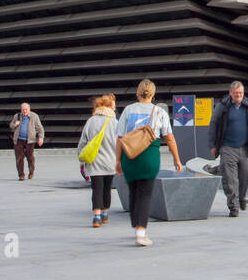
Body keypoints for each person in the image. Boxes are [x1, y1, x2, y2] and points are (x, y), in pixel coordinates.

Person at [115, 79, 182, 246]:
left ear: (138, 92)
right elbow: (170, 138)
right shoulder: (159, 112)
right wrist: (177, 159)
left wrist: (117, 160)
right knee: (145, 194)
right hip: (149, 157)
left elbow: (120, 138)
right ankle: (141, 231)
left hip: (129, 156)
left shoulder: (128, 110)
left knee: (134, 191)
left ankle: (136, 224)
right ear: (152, 93)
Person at [208, 81, 248, 217]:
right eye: (236, 93)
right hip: (227, 148)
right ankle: (233, 207)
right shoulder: (222, 106)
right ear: (230, 93)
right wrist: (213, 145)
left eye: (241, 93)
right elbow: (213, 124)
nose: (238, 95)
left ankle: (242, 197)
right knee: (229, 179)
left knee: (247, 176)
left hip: (245, 148)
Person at [78, 94, 119, 228]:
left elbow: (83, 141)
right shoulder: (114, 122)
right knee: (107, 188)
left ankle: (96, 216)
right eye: (114, 105)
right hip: (110, 161)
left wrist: (81, 158)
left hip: (94, 162)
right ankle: (105, 213)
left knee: (96, 189)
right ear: (108, 106)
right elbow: (119, 142)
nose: (115, 108)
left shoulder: (91, 121)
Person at [9, 102, 46, 181]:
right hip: (18, 140)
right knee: (19, 158)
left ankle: (31, 171)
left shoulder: (34, 116)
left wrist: (41, 138)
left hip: (30, 140)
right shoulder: (17, 116)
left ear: (29, 109)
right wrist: (15, 124)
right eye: (23, 110)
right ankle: (21, 175)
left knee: (30, 157)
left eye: (26, 110)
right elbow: (11, 126)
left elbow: (40, 128)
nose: (24, 111)